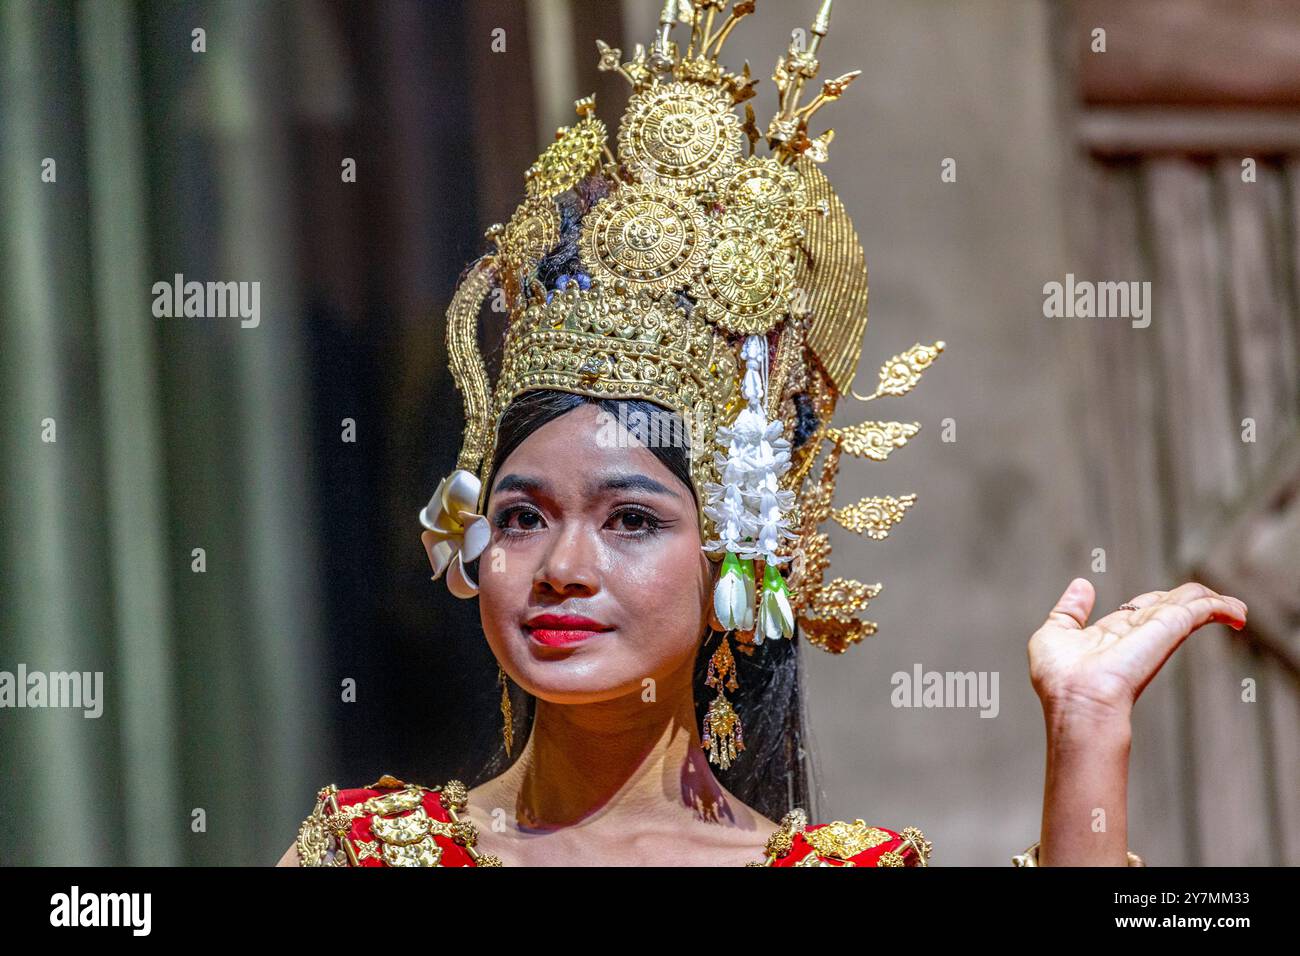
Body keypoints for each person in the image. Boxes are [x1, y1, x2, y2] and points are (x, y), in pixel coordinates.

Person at [277, 0, 1247, 868]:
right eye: (523, 515)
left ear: (735, 553)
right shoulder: (361, 851)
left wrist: (1084, 731)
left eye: (631, 520)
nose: (561, 565)